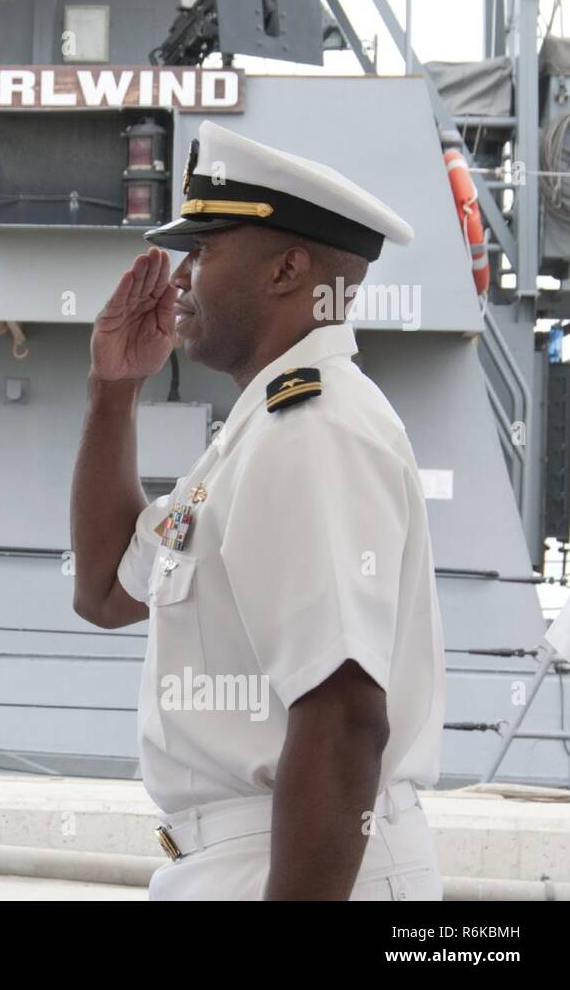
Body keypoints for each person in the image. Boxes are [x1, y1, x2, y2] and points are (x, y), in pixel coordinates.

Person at [70, 121, 445, 900]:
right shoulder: (258, 434)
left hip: (287, 863)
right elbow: (106, 589)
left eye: (204, 251)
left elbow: (344, 721)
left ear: (287, 269)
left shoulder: (313, 430)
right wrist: (114, 388)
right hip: (240, 859)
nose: (179, 279)